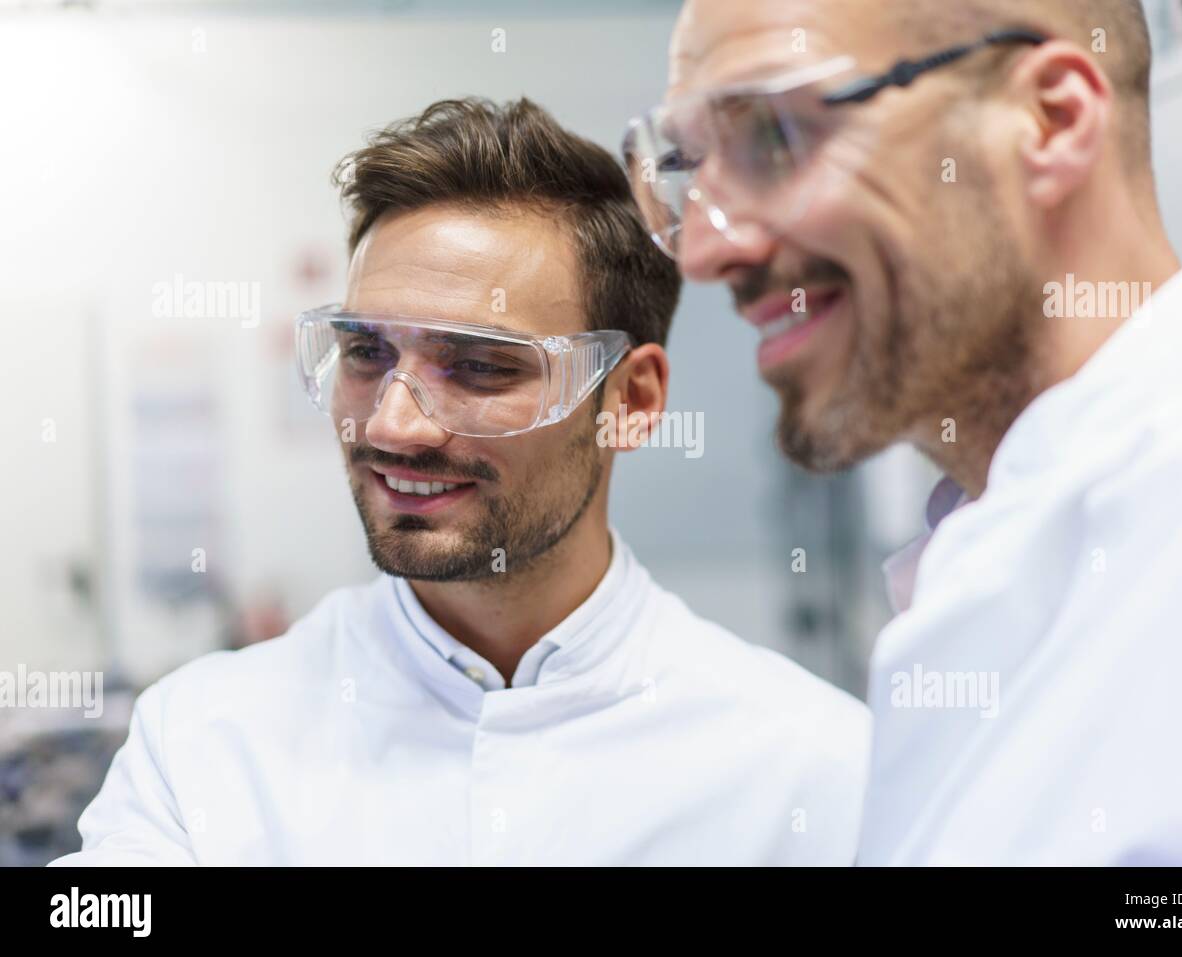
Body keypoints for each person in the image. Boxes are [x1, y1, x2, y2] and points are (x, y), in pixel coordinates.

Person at [54, 97, 867, 866]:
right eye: (367, 353)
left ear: (631, 401)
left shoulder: (813, 766)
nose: (391, 426)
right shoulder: (201, 742)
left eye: (480, 364)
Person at [628, 0, 1182, 864]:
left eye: (774, 136)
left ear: (1048, 121)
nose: (703, 255)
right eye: (685, 168)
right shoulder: (978, 555)